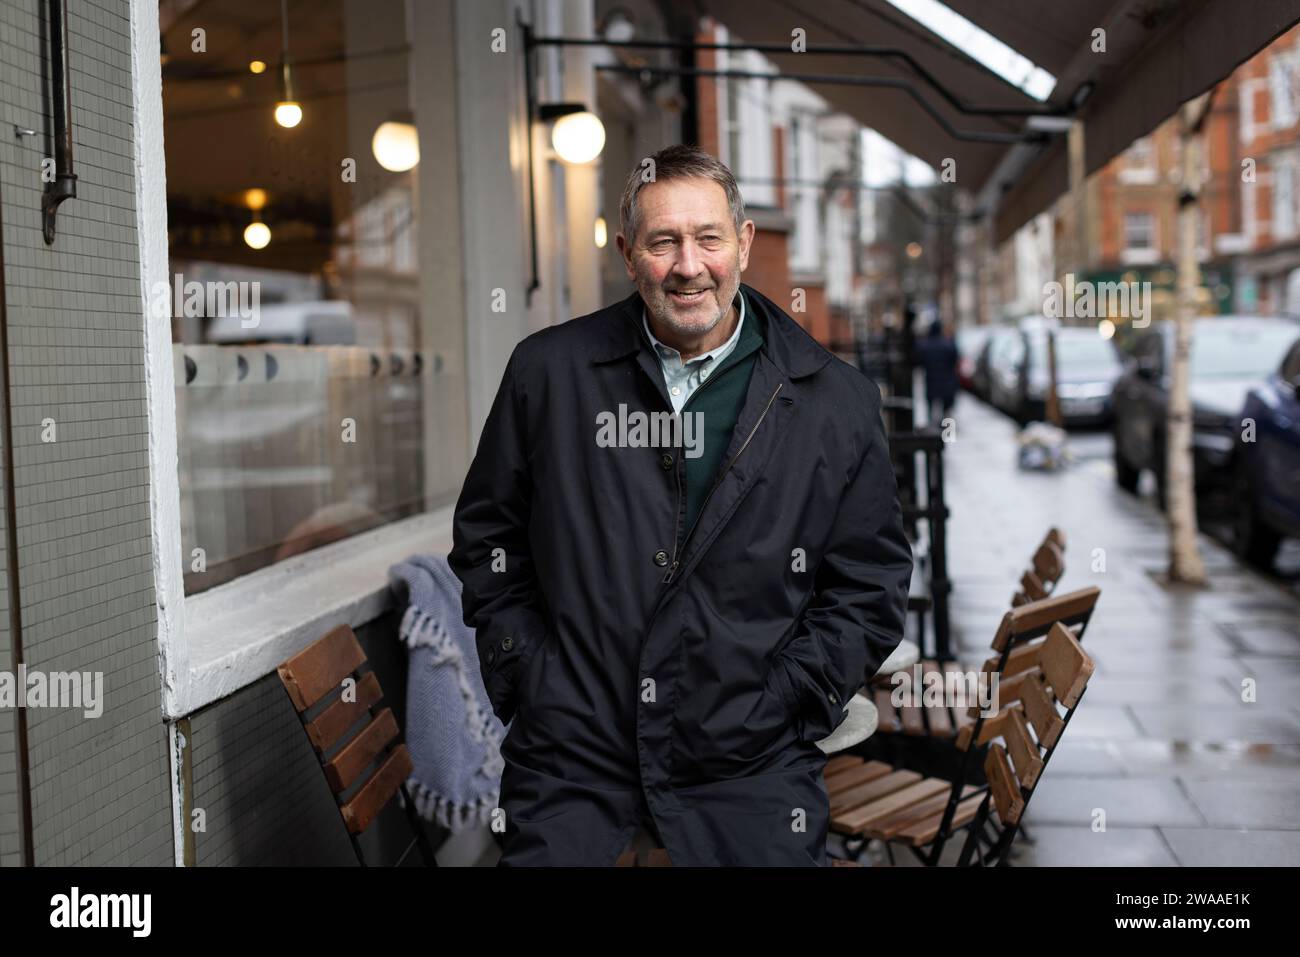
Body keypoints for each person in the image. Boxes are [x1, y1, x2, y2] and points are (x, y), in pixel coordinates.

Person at [448, 144, 912, 866]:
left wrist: (788, 697)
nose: (689, 265)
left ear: (744, 243)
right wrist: (531, 675)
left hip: (748, 761)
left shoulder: (836, 401)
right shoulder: (548, 375)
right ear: (628, 251)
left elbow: (870, 584)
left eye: (708, 238)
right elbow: (488, 539)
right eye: (663, 241)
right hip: (574, 755)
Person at [914, 318, 959, 426]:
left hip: (931, 381)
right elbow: (955, 360)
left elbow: (919, 362)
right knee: (947, 412)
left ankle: (932, 432)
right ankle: (948, 435)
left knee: (930, 409)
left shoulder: (924, 346)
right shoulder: (948, 344)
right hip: (947, 382)